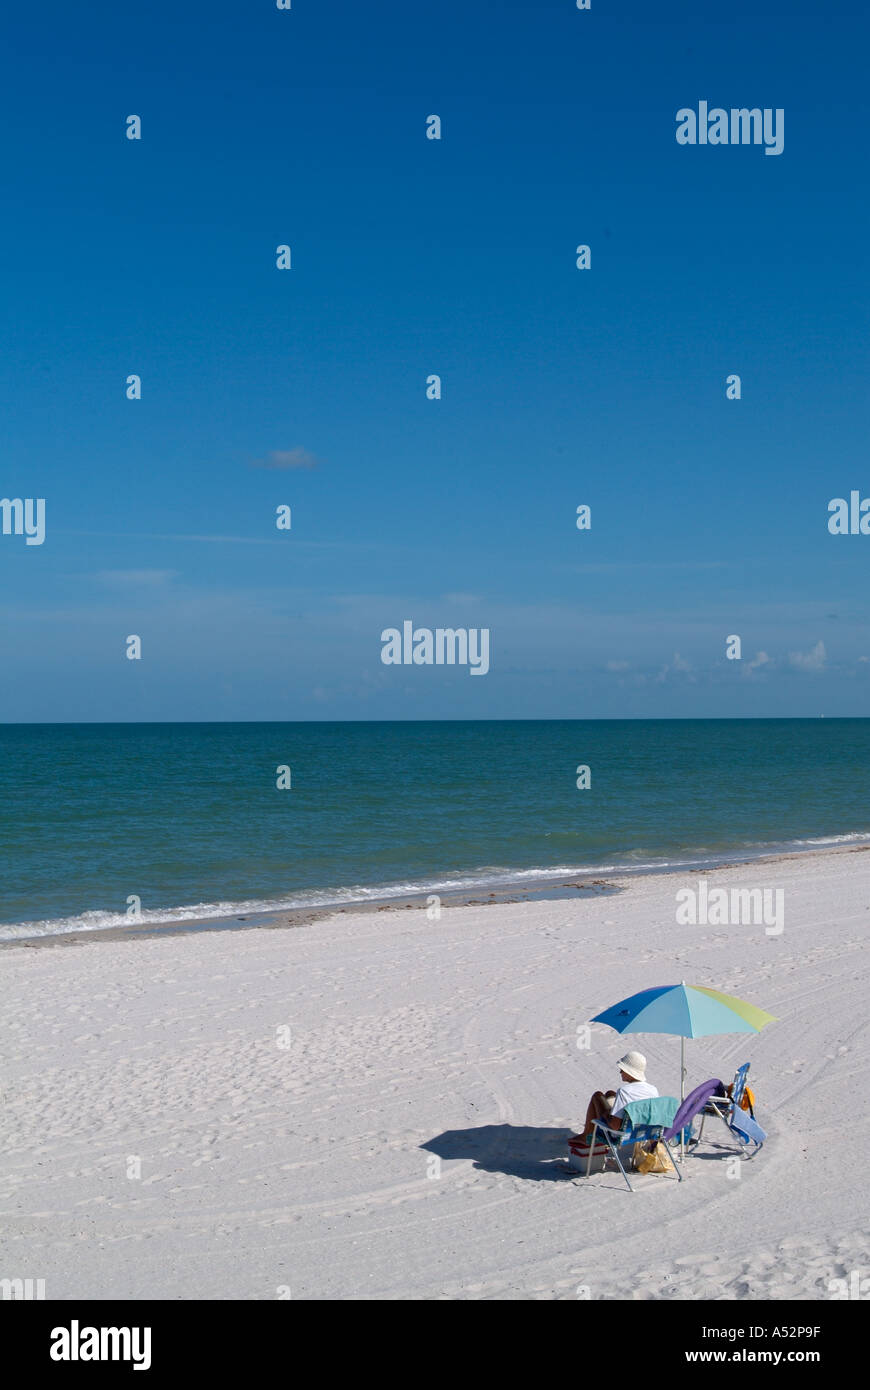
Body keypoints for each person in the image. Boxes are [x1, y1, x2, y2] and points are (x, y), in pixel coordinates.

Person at [575, 1051, 658, 1146]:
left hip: (619, 1135)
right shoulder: (653, 1090)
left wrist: (606, 1115)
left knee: (597, 1096)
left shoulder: (625, 1091)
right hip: (642, 1132)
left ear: (630, 1072)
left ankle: (586, 1136)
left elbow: (614, 1126)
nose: (620, 1072)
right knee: (610, 1093)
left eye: (623, 1069)